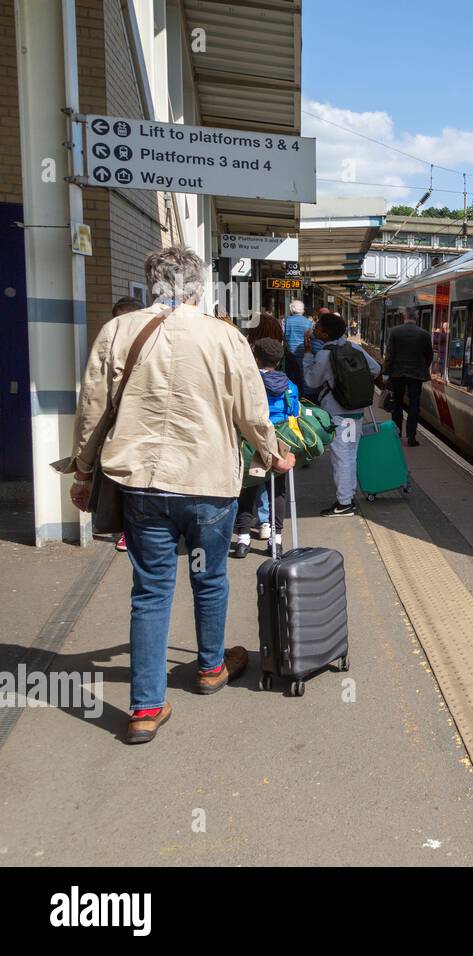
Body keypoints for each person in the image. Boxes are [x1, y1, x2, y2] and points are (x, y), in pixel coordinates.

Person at [56, 246, 295, 745]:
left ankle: (145, 708)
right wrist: (273, 454)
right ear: (197, 288)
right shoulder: (225, 336)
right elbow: (252, 411)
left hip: (142, 485)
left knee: (150, 591)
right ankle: (210, 669)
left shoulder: (117, 331)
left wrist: (82, 472)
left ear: (151, 282)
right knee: (209, 578)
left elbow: (94, 407)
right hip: (209, 485)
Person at [303, 310, 380, 517]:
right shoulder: (354, 348)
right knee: (351, 456)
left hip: (338, 414)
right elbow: (375, 369)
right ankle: (348, 496)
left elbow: (311, 381)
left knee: (341, 458)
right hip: (356, 411)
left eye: (318, 327)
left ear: (326, 334)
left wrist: (308, 354)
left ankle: (344, 503)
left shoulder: (324, 354)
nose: (315, 329)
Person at [231, 338, 298, 559]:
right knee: (277, 490)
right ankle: (275, 541)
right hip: (278, 442)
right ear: (279, 361)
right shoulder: (290, 386)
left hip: (250, 440)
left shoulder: (247, 382)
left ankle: (242, 539)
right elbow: (294, 413)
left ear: (255, 358)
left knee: (247, 487)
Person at [109, 295, 145, 553]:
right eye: (121, 318)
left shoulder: (155, 344)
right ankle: (126, 530)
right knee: (125, 480)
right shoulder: (108, 345)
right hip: (121, 423)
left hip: (147, 423)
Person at [382, 306, 433, 447]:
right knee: (414, 405)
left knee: (397, 404)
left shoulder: (395, 332)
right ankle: (411, 437)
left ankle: (397, 434)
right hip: (416, 375)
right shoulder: (424, 334)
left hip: (397, 374)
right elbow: (429, 355)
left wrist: (386, 373)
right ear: (416, 318)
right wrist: (422, 367)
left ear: (405, 316)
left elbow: (389, 354)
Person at [281, 299, 314, 399]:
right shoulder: (309, 323)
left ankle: (293, 395)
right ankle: (304, 396)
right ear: (303, 311)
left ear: (291, 310)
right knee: (303, 375)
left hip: (290, 354)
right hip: (304, 353)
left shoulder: (286, 321)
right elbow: (310, 338)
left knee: (291, 376)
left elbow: (282, 337)